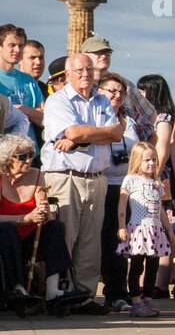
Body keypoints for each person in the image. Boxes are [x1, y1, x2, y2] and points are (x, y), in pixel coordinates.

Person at [40, 52, 123, 314]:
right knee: (66, 237)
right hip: (66, 177)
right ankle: (60, 293)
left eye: (89, 69)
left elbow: (117, 132)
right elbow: (73, 132)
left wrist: (83, 135)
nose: (85, 74)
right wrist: (90, 134)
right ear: (68, 74)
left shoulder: (101, 100)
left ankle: (85, 296)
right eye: (79, 70)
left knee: (90, 243)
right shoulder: (57, 101)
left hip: (96, 177)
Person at [0, 134, 83, 307]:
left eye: (31, 155)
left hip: (30, 236)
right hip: (6, 238)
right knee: (7, 229)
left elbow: (43, 207)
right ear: (8, 158)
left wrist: (44, 213)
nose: (28, 160)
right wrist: (23, 218)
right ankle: (17, 288)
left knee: (54, 227)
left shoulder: (37, 175)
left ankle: (54, 289)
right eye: (22, 156)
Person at [97, 72, 141, 310]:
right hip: (103, 184)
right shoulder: (96, 118)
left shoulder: (129, 121)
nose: (116, 95)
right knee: (103, 241)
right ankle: (105, 292)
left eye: (120, 92)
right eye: (111, 91)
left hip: (127, 188)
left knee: (121, 241)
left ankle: (120, 293)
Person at [115, 143, 169, 318]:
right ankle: (136, 300)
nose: (152, 163)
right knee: (137, 265)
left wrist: (168, 230)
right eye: (147, 160)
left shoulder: (157, 183)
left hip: (155, 230)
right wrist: (122, 226)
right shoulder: (130, 180)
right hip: (139, 229)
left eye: (154, 159)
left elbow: (160, 209)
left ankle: (147, 298)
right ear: (138, 161)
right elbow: (122, 205)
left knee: (153, 266)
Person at [137, 74, 175, 297]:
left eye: (144, 90)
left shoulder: (162, 118)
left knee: (161, 227)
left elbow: (162, 149)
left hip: (158, 177)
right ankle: (149, 282)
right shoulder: (145, 117)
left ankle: (159, 284)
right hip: (151, 174)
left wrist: (153, 175)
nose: (140, 94)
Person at [80, 37, 156, 136]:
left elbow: (151, 114)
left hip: (128, 146)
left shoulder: (126, 84)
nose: (104, 56)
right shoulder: (80, 87)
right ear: (84, 55)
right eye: (98, 52)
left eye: (107, 53)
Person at [0, 24, 44, 138]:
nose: (17, 50)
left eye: (20, 45)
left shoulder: (28, 80)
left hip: (30, 150)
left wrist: (22, 109)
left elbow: (44, 119)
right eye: (12, 45)